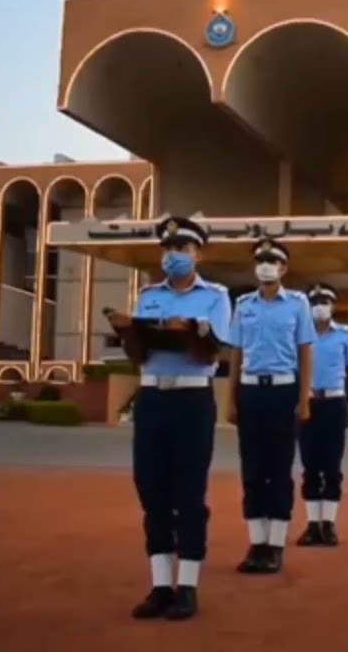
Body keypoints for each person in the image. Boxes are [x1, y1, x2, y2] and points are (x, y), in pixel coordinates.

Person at [107, 216, 231, 622]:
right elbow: (138, 353)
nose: (173, 255)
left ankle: (188, 586)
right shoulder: (149, 296)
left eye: (182, 248)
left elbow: (216, 348)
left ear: (198, 254)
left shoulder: (215, 296)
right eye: (168, 248)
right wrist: (127, 330)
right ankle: (161, 586)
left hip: (192, 399)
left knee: (189, 495)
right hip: (153, 397)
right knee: (151, 490)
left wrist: (191, 331)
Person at [226, 238, 317, 575]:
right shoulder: (243, 305)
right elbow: (236, 353)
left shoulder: (298, 303)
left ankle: (276, 544)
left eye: (272, 260)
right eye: (260, 260)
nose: (265, 266)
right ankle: (256, 542)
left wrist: (304, 397)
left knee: (279, 468)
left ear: (283, 268)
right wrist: (230, 398)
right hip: (251, 390)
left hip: (283, 390)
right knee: (252, 469)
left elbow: (305, 351)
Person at [296, 283, 348, 547]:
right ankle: (313, 524)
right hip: (309, 401)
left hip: (335, 402)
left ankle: (329, 523)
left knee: (332, 465)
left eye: (325, 301)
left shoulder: (345, 334)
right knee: (310, 464)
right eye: (315, 302)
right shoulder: (300, 335)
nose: (320, 307)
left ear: (333, 306)